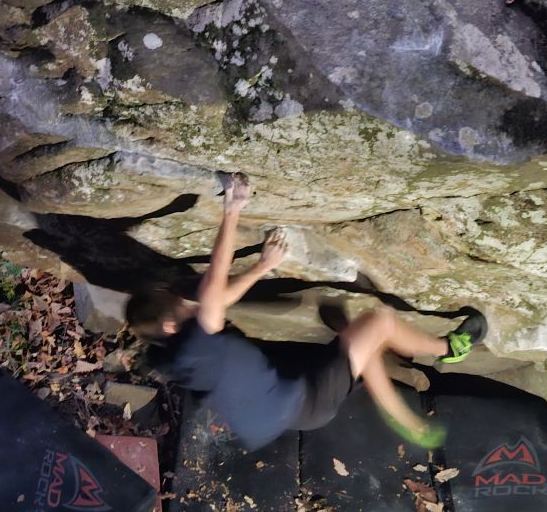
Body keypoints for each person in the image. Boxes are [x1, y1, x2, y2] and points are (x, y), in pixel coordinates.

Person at [125, 173, 487, 451]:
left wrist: (262, 267)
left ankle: (363, 355)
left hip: (281, 389)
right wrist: (233, 208)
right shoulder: (195, 344)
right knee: (378, 323)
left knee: (356, 347)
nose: (185, 299)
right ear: (172, 323)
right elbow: (214, 286)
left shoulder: (175, 350)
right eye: (177, 301)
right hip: (307, 397)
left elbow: (214, 305)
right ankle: (450, 350)